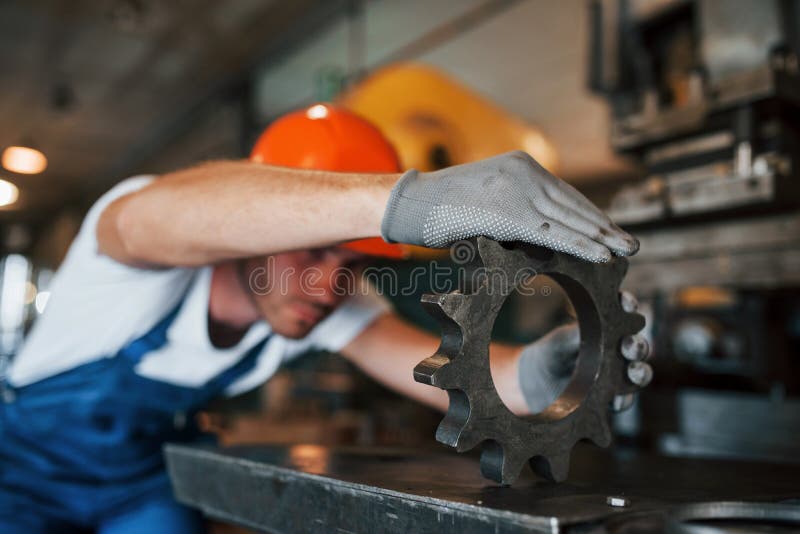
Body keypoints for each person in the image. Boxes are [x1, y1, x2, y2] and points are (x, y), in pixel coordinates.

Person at [0, 103, 646, 533]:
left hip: (138, 482)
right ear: (256, 229)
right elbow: (156, 215)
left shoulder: (327, 299)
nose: (328, 284)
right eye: (311, 249)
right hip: (18, 471)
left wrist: (559, 367)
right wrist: (408, 201)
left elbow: (471, 375)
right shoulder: (131, 257)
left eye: (353, 264)